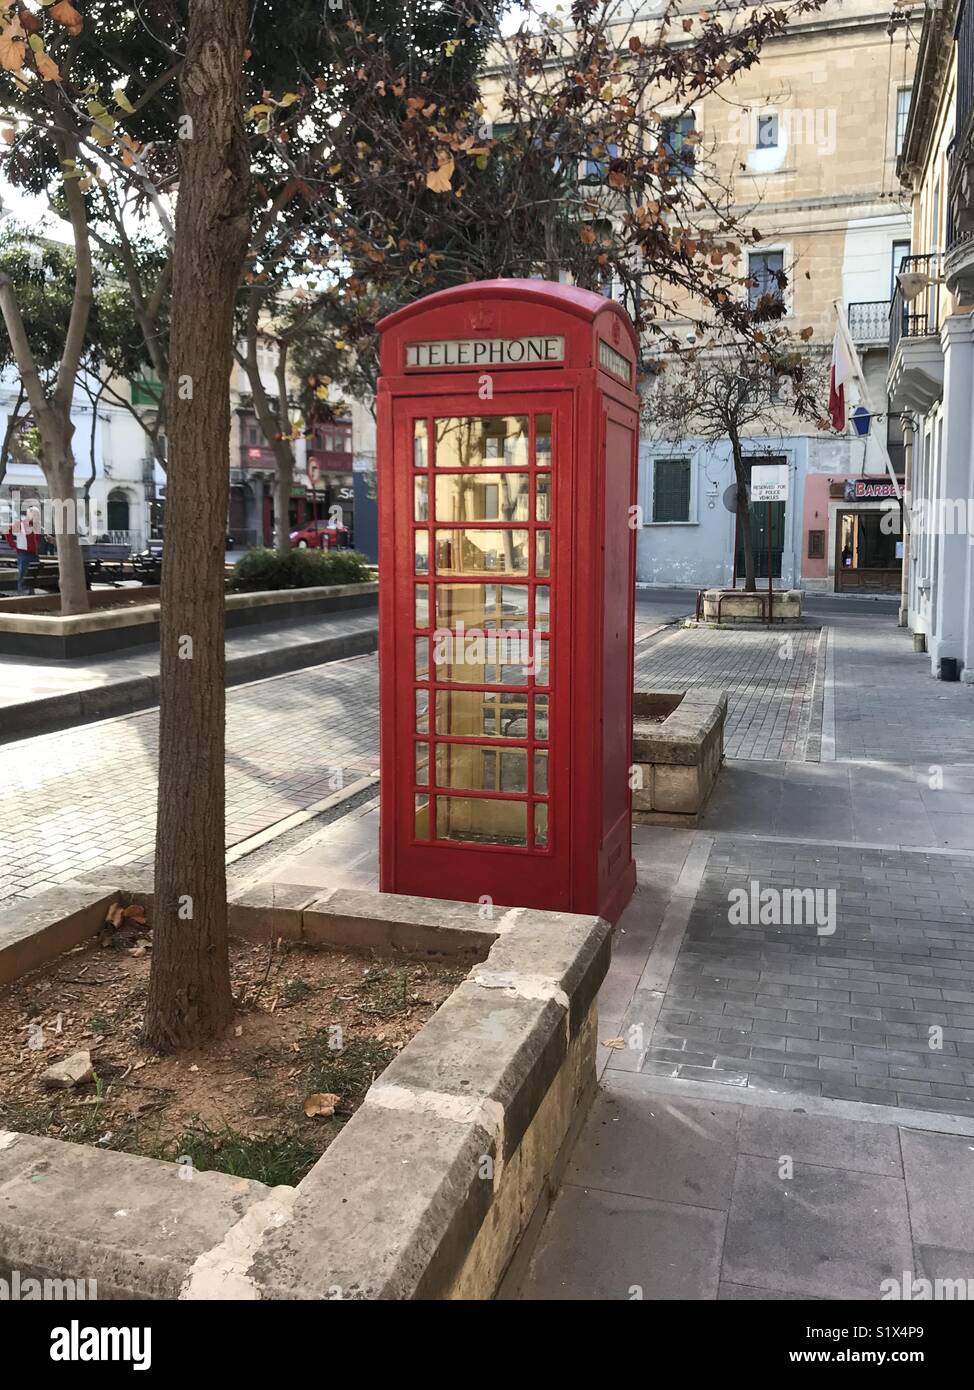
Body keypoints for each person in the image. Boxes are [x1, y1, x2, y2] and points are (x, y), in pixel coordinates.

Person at [4, 509, 41, 594]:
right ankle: (21, 594)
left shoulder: (36, 525)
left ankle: (31, 593)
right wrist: (13, 545)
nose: (37, 517)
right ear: (29, 515)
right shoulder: (21, 523)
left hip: (34, 554)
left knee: (34, 575)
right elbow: (8, 532)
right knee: (23, 575)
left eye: (38, 515)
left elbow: (36, 539)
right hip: (23, 553)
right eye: (35, 515)